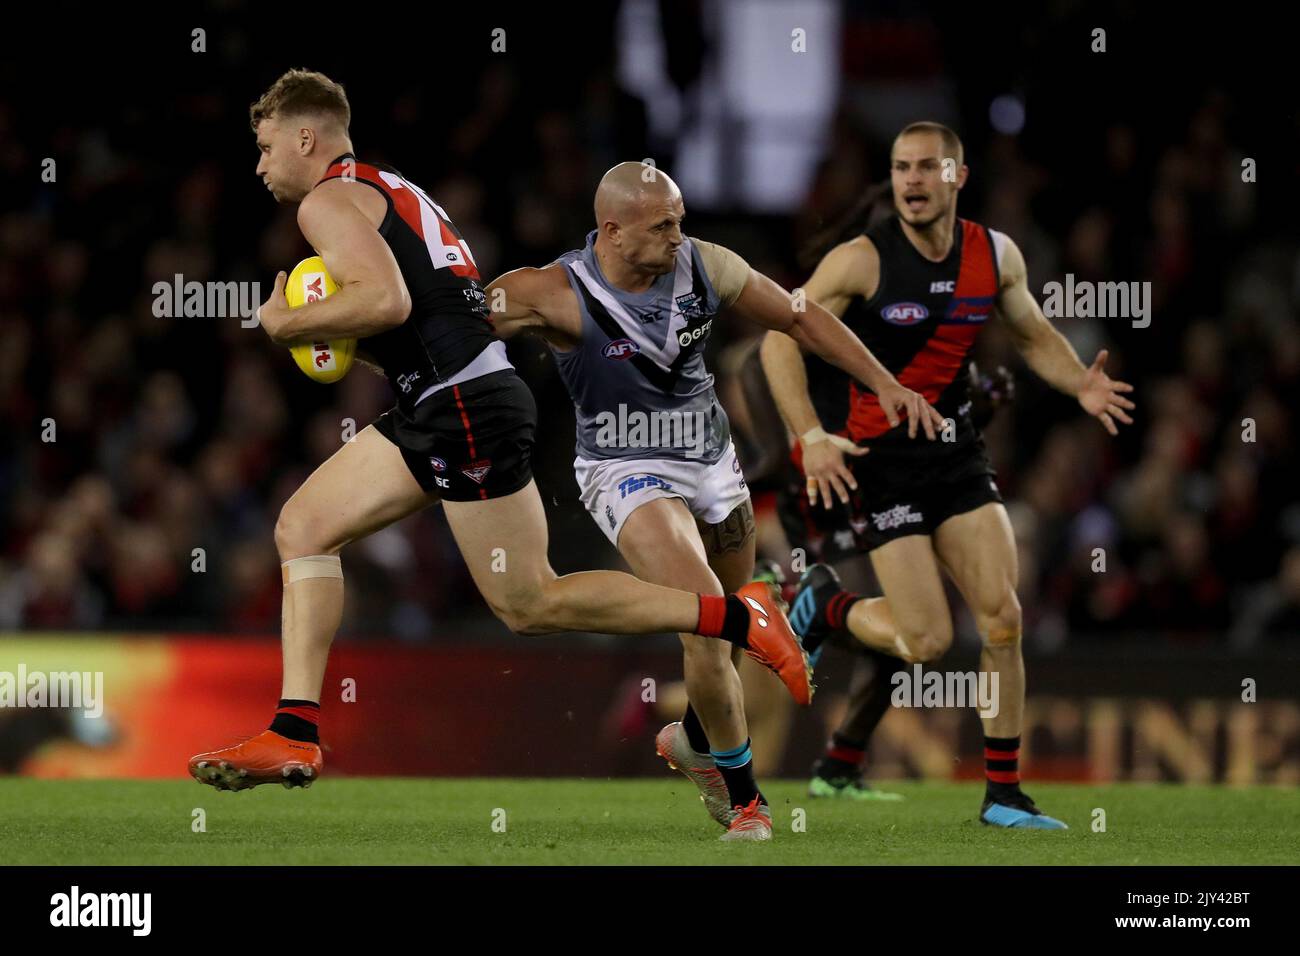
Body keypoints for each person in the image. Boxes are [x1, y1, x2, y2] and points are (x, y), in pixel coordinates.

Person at [188, 70, 809, 794]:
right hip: (454, 395)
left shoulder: (327, 199)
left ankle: (734, 615)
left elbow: (385, 301)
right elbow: (428, 300)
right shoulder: (387, 187)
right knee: (304, 525)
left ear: (305, 137)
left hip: (462, 405)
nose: (260, 165)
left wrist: (285, 323)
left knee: (529, 603)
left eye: (265, 147)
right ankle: (292, 734)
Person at [485, 161, 943, 839]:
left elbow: (799, 317)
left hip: (712, 466)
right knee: (710, 618)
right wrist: (360, 340)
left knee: (727, 638)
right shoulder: (547, 292)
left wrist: (884, 383)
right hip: (625, 470)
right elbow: (450, 341)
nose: (678, 236)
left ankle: (695, 741)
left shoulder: (706, 266)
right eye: (662, 224)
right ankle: (746, 802)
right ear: (611, 230)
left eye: (681, 220)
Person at [763, 121, 1136, 829]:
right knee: (928, 643)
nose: (910, 180)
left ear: (957, 177)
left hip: (958, 457)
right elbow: (784, 334)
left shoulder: (994, 255)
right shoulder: (862, 261)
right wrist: (811, 435)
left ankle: (1003, 796)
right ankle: (821, 606)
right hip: (883, 465)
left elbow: (1031, 334)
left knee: (1003, 620)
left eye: (927, 167)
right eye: (901, 168)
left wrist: (1077, 385)